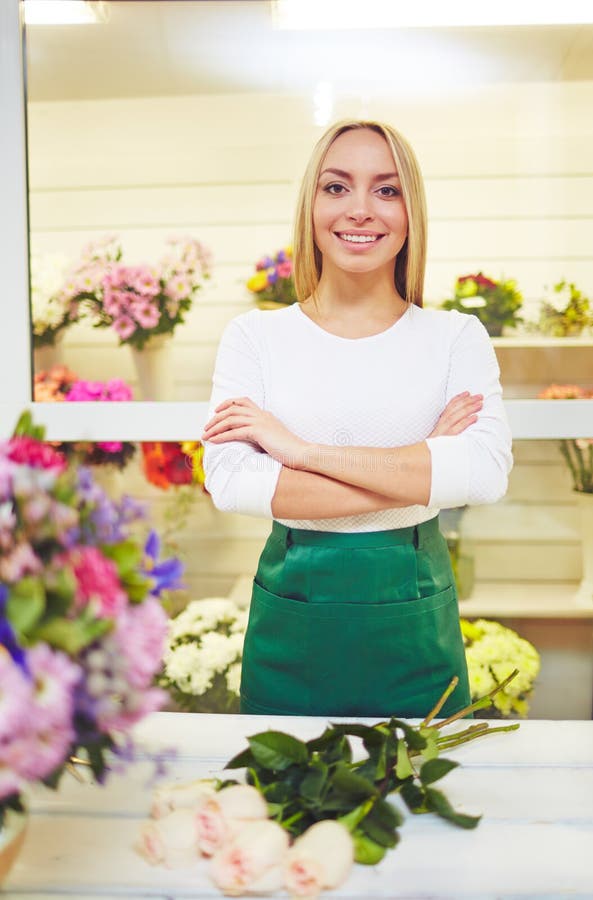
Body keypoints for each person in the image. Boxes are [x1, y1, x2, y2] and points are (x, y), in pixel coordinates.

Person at [201, 120, 513, 718]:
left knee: (419, 802)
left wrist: (299, 453)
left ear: (410, 209)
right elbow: (234, 482)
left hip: (414, 613)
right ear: (311, 205)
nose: (361, 210)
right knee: (282, 800)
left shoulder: (455, 337)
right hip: (290, 614)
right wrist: (421, 461)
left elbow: (482, 475)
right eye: (337, 187)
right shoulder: (255, 337)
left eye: (387, 190)